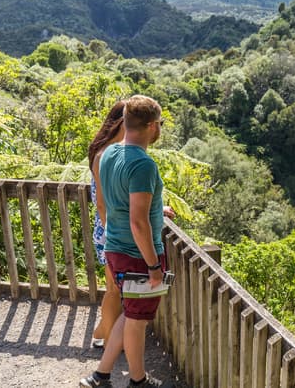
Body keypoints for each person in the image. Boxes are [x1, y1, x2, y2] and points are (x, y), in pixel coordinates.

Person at [81, 95, 173, 388]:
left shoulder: (108, 154)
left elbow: (114, 203)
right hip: (138, 255)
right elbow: (138, 221)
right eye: (159, 124)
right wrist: (153, 265)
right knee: (137, 320)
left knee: (130, 311)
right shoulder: (143, 165)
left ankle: (101, 375)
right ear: (150, 126)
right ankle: (138, 381)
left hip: (114, 248)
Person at [87, 100, 126, 349]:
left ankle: (104, 333)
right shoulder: (105, 154)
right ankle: (106, 335)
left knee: (116, 288)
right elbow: (103, 204)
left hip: (110, 229)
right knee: (113, 289)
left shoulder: (112, 150)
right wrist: (115, 235)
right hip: (110, 231)